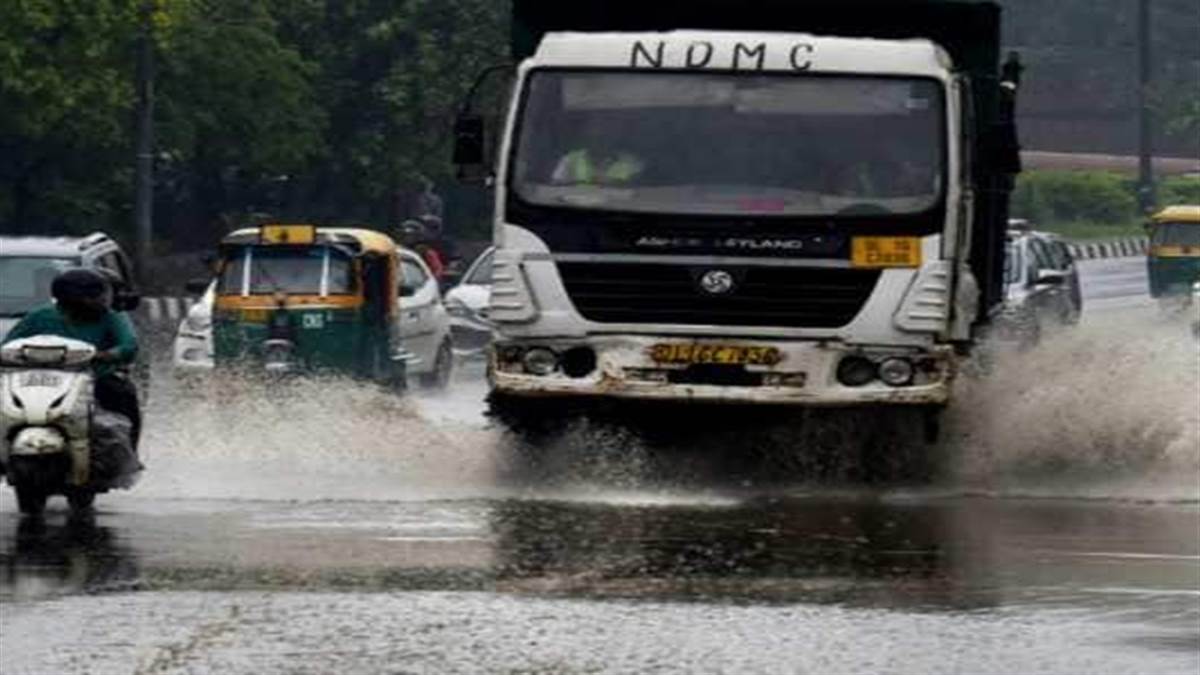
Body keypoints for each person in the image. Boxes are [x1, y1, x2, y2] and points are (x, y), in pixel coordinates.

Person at [2, 268, 143, 452]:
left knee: (123, 395)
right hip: (38, 381)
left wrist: (105, 355)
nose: (105, 299)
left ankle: (129, 451)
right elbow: (8, 345)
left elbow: (129, 345)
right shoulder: (40, 317)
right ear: (78, 297)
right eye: (99, 294)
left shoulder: (111, 317)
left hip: (95, 378)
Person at [551, 147, 644, 185]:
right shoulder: (570, 159)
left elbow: (642, 192)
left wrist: (613, 182)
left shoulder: (632, 163)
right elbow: (554, 186)